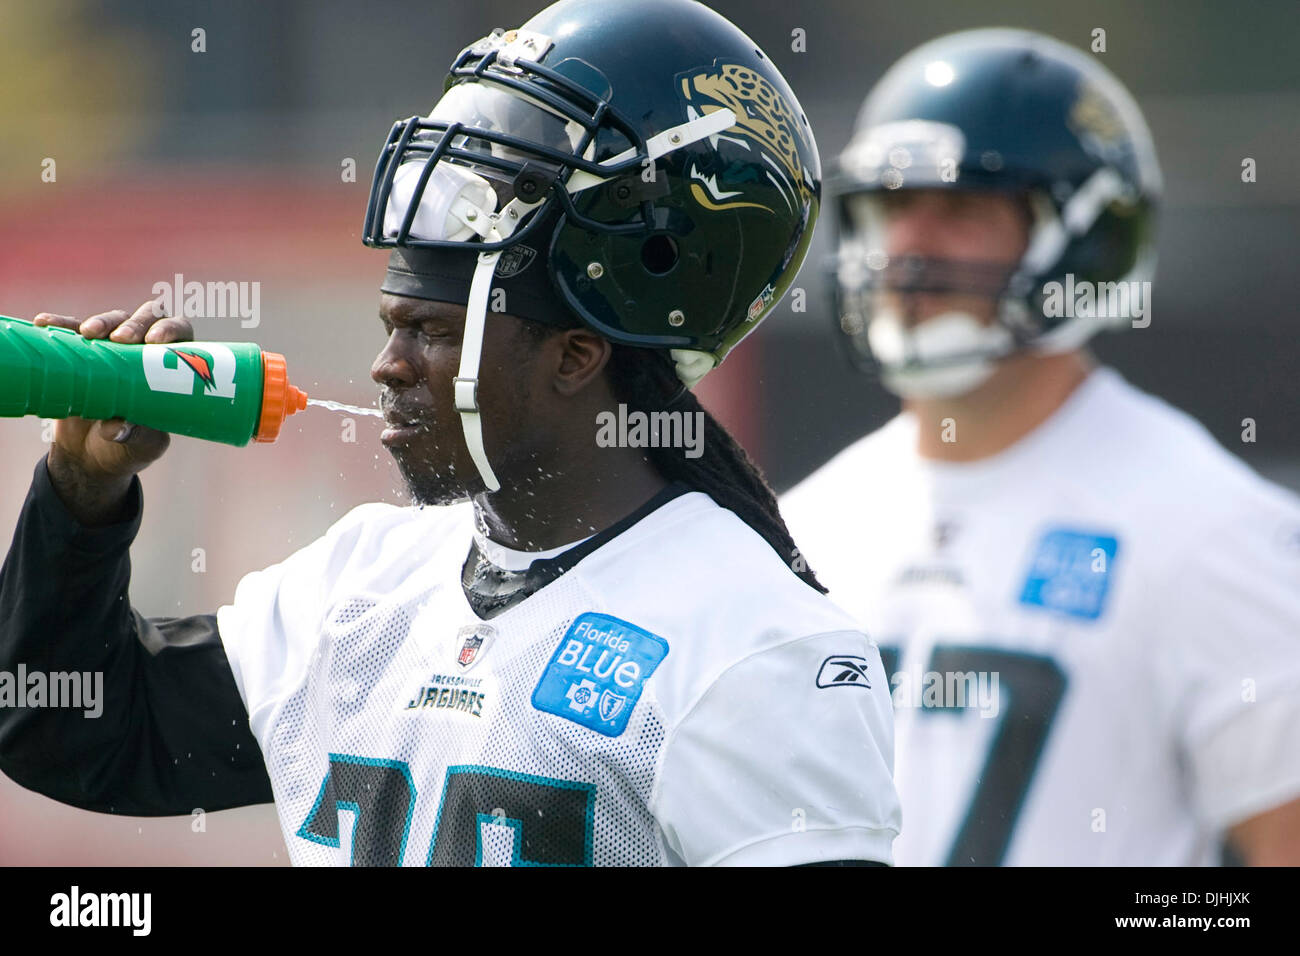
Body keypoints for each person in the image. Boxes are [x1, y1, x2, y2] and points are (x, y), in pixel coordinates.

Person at [0, 0, 900, 867]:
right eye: (393, 324)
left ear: (577, 354)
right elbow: (69, 731)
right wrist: (82, 494)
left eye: (429, 332)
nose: (387, 367)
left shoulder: (753, 647)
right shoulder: (359, 588)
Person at [781, 28, 1300, 866]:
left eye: (959, 212)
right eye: (887, 207)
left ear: (1089, 243)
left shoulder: (1212, 531)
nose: (907, 249)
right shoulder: (804, 529)